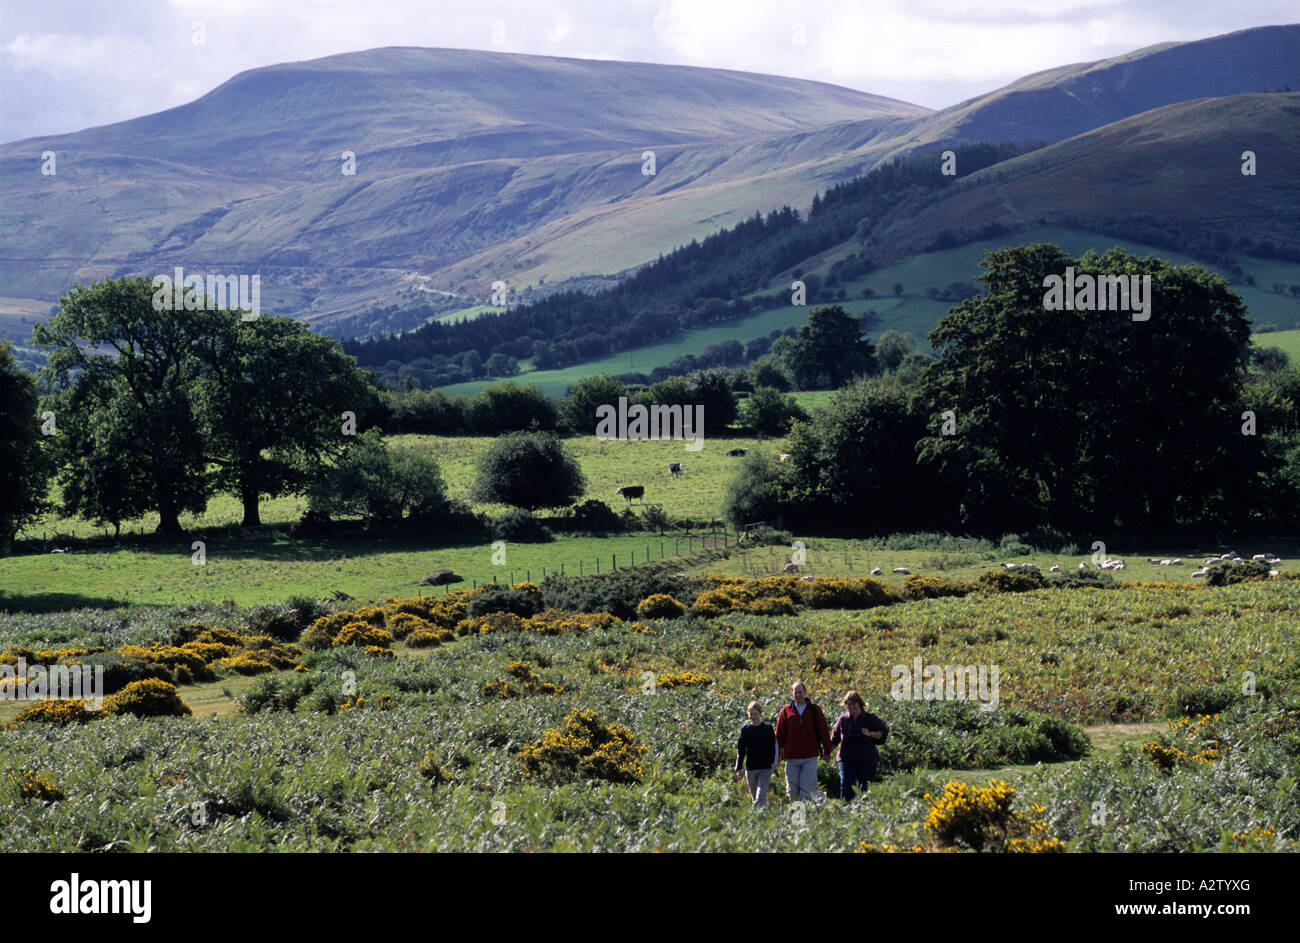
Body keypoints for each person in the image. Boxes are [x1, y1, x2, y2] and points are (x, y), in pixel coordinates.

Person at [774, 680, 832, 802]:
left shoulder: (815, 710)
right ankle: (816, 802)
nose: (798, 695)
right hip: (791, 758)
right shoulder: (786, 711)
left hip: (809, 757)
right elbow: (779, 736)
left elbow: (824, 732)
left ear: (805, 693)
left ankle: (806, 818)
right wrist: (776, 757)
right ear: (792, 694)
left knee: (807, 792)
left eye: (800, 692)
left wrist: (827, 752)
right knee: (792, 792)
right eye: (796, 692)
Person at [829, 690, 888, 801]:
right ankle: (845, 813)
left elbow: (883, 732)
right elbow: (834, 739)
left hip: (867, 760)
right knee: (846, 786)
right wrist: (826, 753)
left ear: (859, 703)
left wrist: (870, 734)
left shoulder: (870, 718)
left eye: (853, 703)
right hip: (846, 759)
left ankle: (864, 814)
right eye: (848, 704)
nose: (851, 707)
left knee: (864, 789)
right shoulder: (843, 719)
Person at [734, 701, 778, 808]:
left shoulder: (768, 728)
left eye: (755, 714)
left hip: (765, 768)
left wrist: (774, 762)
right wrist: (739, 768)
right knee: (755, 798)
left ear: (760, 714)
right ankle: (760, 821)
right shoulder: (745, 730)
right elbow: (741, 750)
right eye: (751, 714)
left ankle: (756, 817)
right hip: (750, 769)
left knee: (760, 796)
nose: (753, 717)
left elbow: (774, 746)